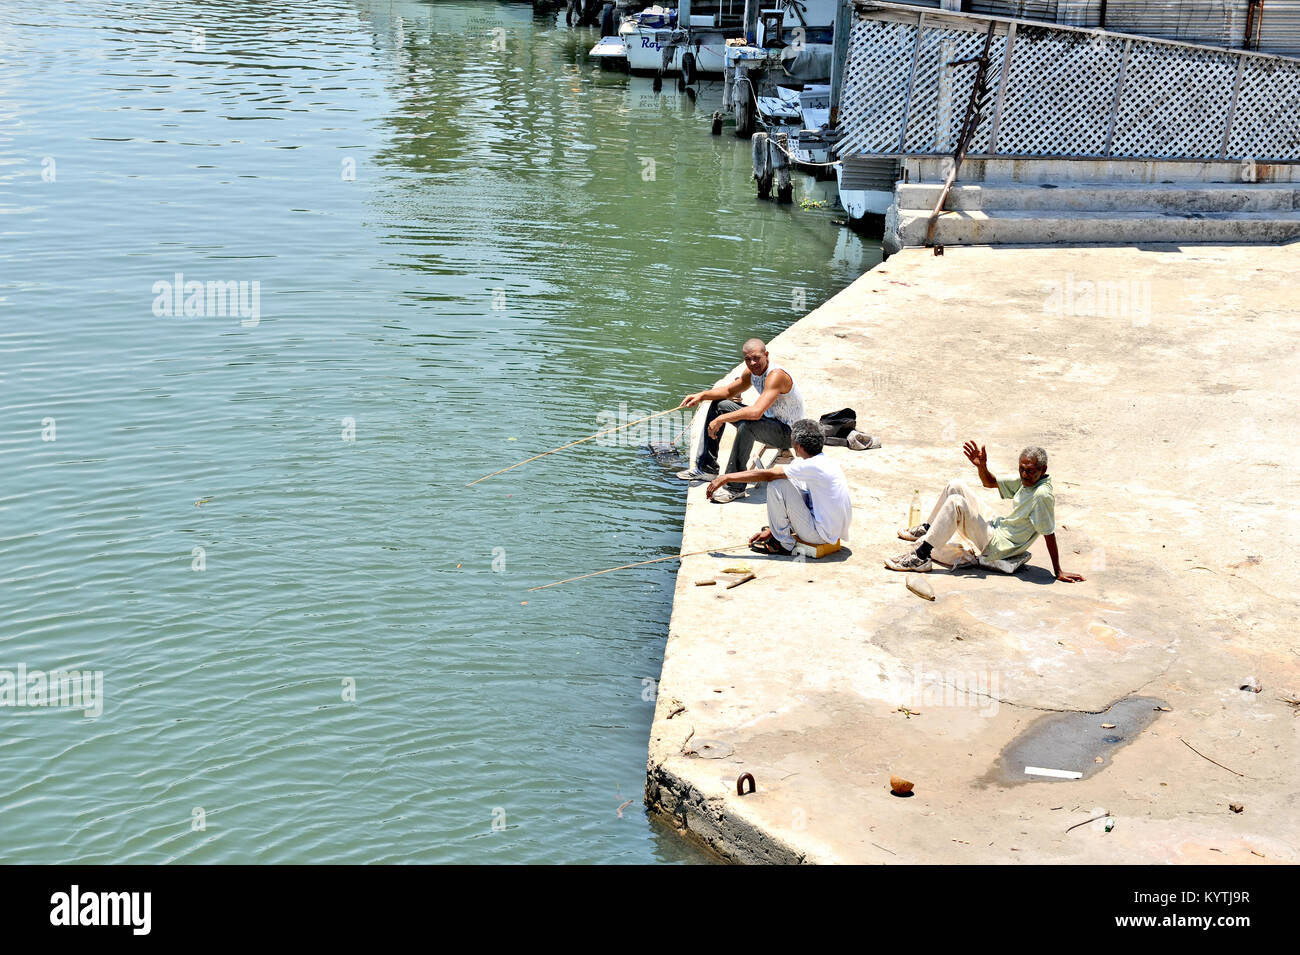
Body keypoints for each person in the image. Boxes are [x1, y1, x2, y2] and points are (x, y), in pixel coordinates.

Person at [885, 442, 1085, 582]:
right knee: (955, 485)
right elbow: (990, 482)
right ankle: (928, 530)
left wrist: (1058, 570)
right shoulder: (1028, 480)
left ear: (1043, 469)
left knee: (957, 502)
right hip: (997, 526)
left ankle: (921, 557)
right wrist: (982, 466)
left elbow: (1049, 532)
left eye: (1030, 471)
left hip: (999, 545)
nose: (1024, 474)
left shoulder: (1042, 495)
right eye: (1021, 469)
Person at [676, 338, 805, 503]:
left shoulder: (776, 376)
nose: (752, 363)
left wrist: (721, 419)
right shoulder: (751, 372)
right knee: (720, 404)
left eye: (756, 358)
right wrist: (702, 395)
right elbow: (729, 390)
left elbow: (756, 412)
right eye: (747, 359)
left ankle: (735, 488)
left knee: (748, 423)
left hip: (789, 433)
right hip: (771, 422)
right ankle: (707, 469)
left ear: (766, 355)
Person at [705, 419, 852, 556]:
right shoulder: (826, 462)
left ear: (798, 446)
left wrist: (726, 477)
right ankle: (779, 532)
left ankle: (783, 543)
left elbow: (769, 475)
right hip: (833, 531)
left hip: (821, 535)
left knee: (777, 483)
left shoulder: (811, 466)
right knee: (791, 480)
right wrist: (773, 529)